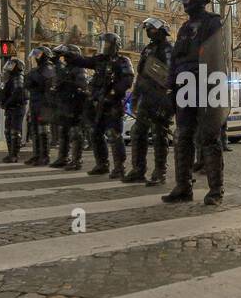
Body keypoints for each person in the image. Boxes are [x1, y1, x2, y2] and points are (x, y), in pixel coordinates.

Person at [163, 0, 226, 205]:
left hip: (205, 84)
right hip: (184, 86)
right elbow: (175, 61)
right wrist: (170, 86)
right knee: (182, 136)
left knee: (209, 138)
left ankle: (215, 190)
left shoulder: (212, 22)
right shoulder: (184, 28)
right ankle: (183, 186)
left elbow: (215, 56)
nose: (184, 1)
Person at [64, 33, 134, 179]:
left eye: (107, 44)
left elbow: (127, 80)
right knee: (95, 133)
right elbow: (84, 61)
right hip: (97, 103)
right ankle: (102, 164)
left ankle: (119, 167)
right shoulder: (99, 60)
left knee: (113, 135)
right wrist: (69, 55)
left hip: (112, 103)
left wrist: (113, 94)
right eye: (102, 44)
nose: (104, 47)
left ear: (114, 46)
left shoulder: (122, 61)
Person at [124, 17, 175, 185]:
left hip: (159, 98)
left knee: (160, 134)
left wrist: (166, 100)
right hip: (146, 97)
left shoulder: (167, 49)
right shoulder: (148, 49)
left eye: (152, 29)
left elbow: (168, 76)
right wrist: (135, 96)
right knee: (138, 132)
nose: (149, 32)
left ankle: (160, 172)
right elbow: (141, 75)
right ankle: (139, 169)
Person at [48, 46, 88, 170]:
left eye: (66, 56)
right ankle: (63, 157)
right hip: (65, 104)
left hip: (75, 104)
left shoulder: (79, 69)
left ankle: (77, 159)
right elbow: (58, 78)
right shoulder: (67, 68)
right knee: (63, 131)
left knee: (75, 133)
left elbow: (81, 85)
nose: (64, 59)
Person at [23, 47, 54, 166]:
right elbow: (27, 84)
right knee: (34, 130)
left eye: (38, 55)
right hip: (35, 103)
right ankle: (36, 155)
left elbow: (43, 82)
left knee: (43, 131)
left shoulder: (49, 68)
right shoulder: (37, 69)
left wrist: (32, 76)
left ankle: (45, 156)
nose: (36, 57)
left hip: (45, 104)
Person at [0, 59, 28, 163]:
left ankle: (14, 155)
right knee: (8, 131)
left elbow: (18, 92)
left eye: (12, 65)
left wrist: (6, 103)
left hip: (17, 107)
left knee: (15, 132)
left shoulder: (18, 77)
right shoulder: (11, 78)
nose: (9, 67)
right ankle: (10, 153)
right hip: (11, 108)